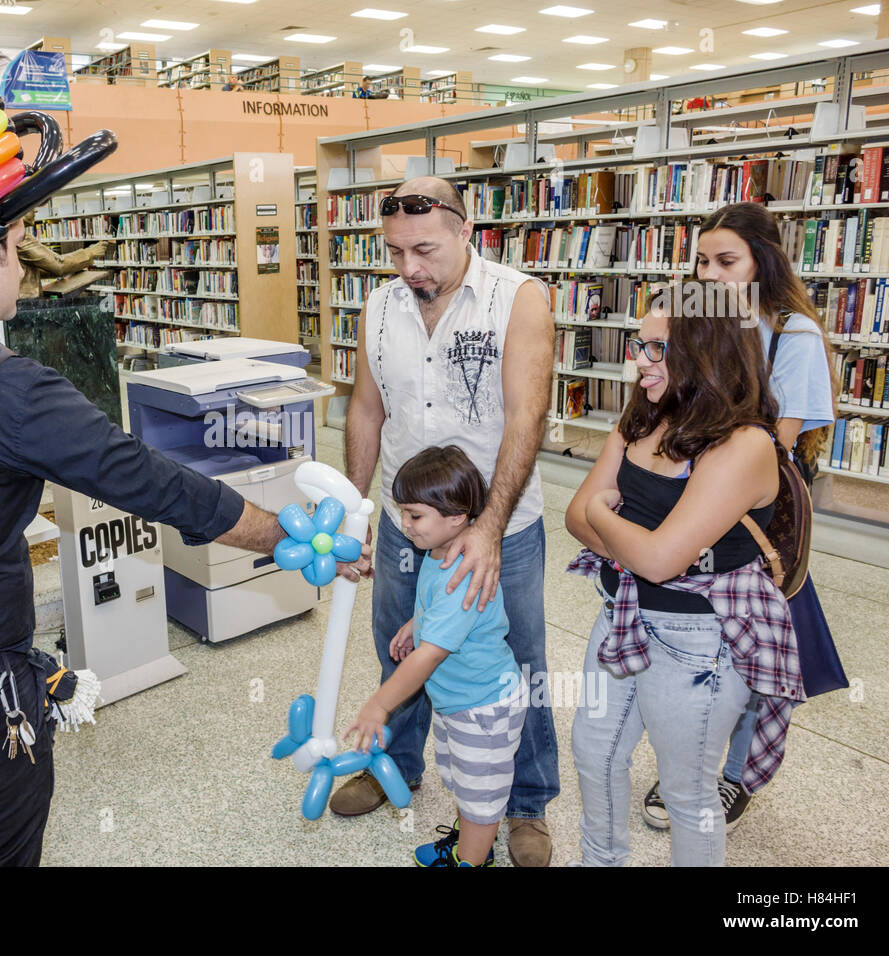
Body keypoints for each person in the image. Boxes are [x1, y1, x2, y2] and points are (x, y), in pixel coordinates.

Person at [0, 220, 349, 866]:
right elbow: (151, 482)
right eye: (17, 248)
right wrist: (279, 532)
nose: (24, 267)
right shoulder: (7, 387)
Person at [335, 176, 559, 868]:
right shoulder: (380, 305)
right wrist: (354, 509)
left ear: (467, 231)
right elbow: (368, 411)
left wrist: (488, 528)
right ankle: (394, 763)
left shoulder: (517, 298)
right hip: (410, 523)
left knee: (517, 658)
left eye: (425, 250)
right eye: (396, 252)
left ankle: (525, 800)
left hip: (501, 521)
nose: (410, 268)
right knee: (400, 643)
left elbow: (529, 414)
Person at [563, 280, 804, 866]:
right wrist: (617, 530)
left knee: (686, 790)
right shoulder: (644, 416)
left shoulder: (745, 445)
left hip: (701, 641)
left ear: (704, 351)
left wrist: (606, 515)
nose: (638, 362)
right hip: (623, 612)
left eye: (654, 348)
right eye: (638, 345)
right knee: (594, 752)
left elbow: (656, 557)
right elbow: (574, 518)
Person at [639, 201, 836, 833]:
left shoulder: (793, 334)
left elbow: (772, 444)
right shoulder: (700, 317)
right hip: (694, 489)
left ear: (762, 262)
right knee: (705, 641)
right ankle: (689, 760)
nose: (710, 275)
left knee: (759, 649)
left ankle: (735, 777)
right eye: (701, 261)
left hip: (753, 505)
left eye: (727, 261)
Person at [347, 445, 526, 868]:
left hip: (484, 708)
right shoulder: (438, 551)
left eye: (414, 515)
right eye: (402, 513)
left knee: (481, 798)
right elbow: (437, 613)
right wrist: (417, 623)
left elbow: (428, 658)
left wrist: (379, 705)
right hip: (459, 700)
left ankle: (472, 862)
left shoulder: (461, 575)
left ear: (456, 517)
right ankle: (468, 847)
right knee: (466, 784)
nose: (405, 525)